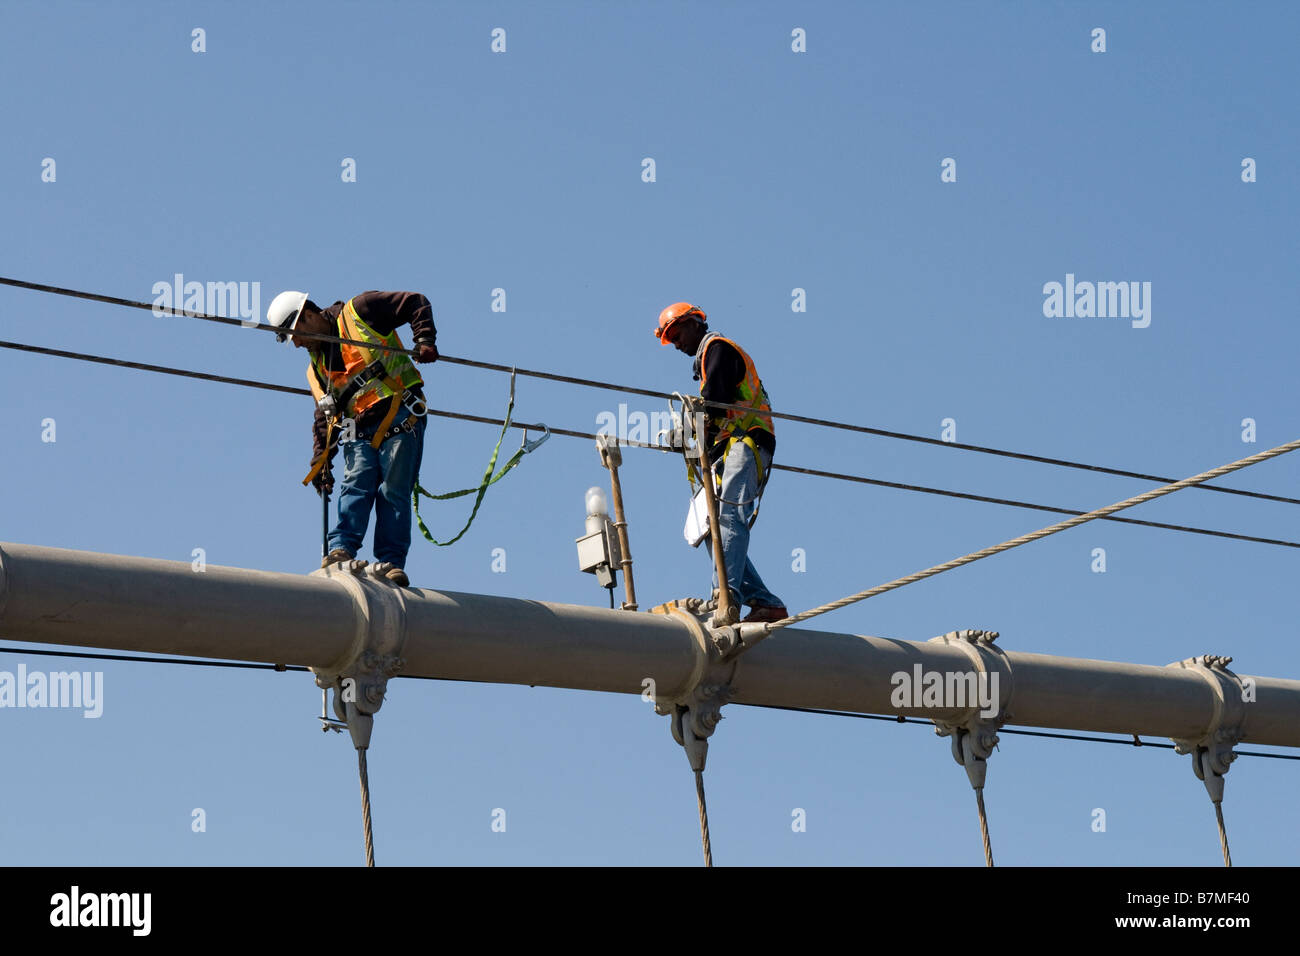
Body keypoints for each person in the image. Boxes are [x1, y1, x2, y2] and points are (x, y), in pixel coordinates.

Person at [267, 289, 439, 586]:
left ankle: (390, 562)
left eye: (295, 334)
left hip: (401, 413)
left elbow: (415, 302)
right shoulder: (317, 366)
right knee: (355, 485)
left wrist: (424, 339)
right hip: (358, 428)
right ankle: (341, 550)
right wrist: (322, 461)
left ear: (308, 314)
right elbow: (325, 416)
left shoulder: (362, 311)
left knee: (392, 491)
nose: (296, 343)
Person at [655, 302, 787, 623]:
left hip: (747, 440)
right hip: (729, 448)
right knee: (712, 525)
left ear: (696, 323)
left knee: (729, 518)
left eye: (677, 332)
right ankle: (765, 602)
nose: (675, 342)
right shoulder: (707, 361)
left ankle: (723, 597)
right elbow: (713, 412)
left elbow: (715, 404)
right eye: (669, 338)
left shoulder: (717, 350)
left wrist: (687, 430)